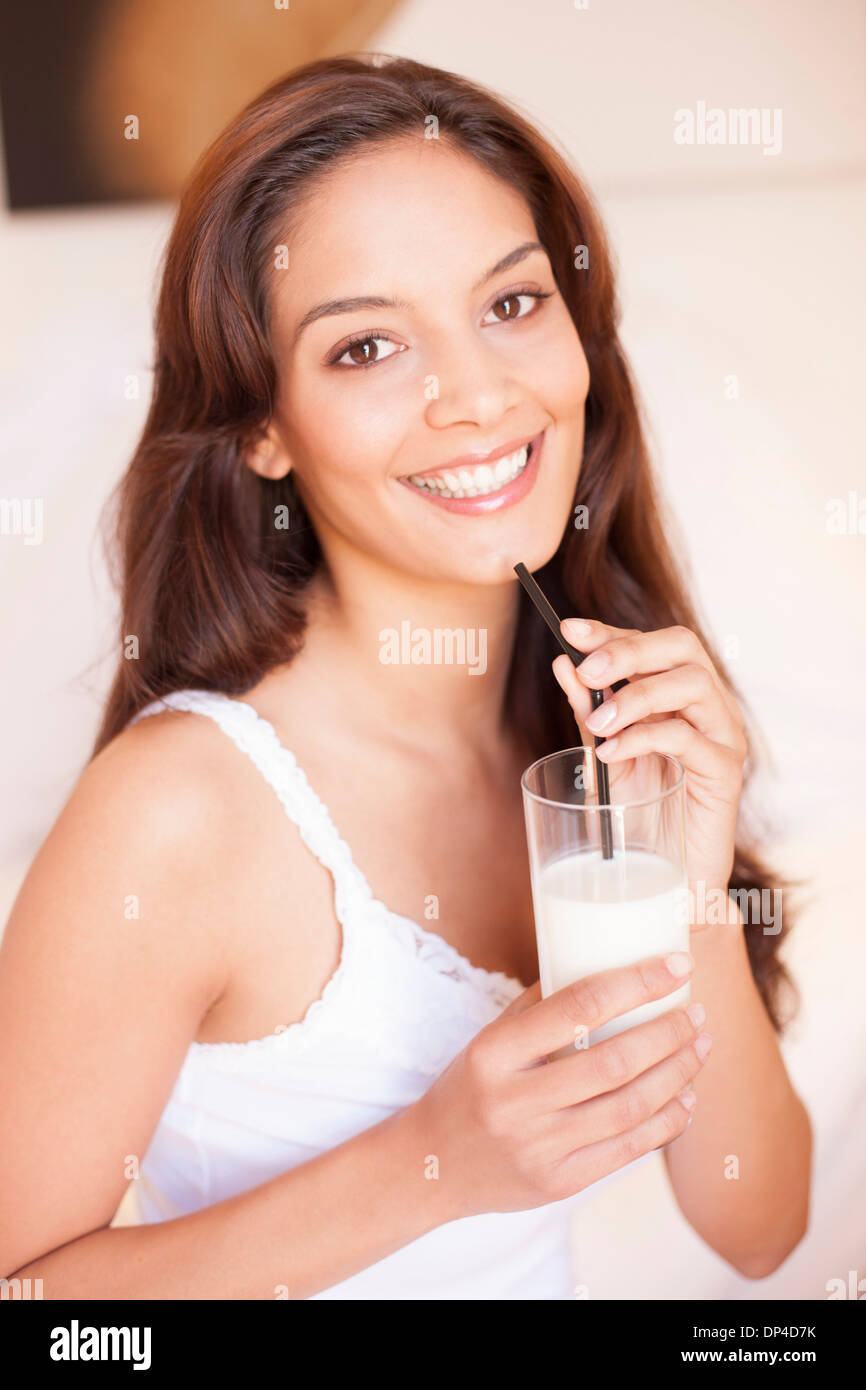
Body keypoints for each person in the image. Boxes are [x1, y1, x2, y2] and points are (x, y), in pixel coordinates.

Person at [0, 54, 811, 1300]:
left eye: (509, 304)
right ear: (262, 426)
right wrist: (437, 1162)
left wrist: (687, 880)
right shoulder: (176, 813)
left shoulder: (599, 743)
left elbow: (757, 1228)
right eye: (367, 345)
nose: (476, 394)